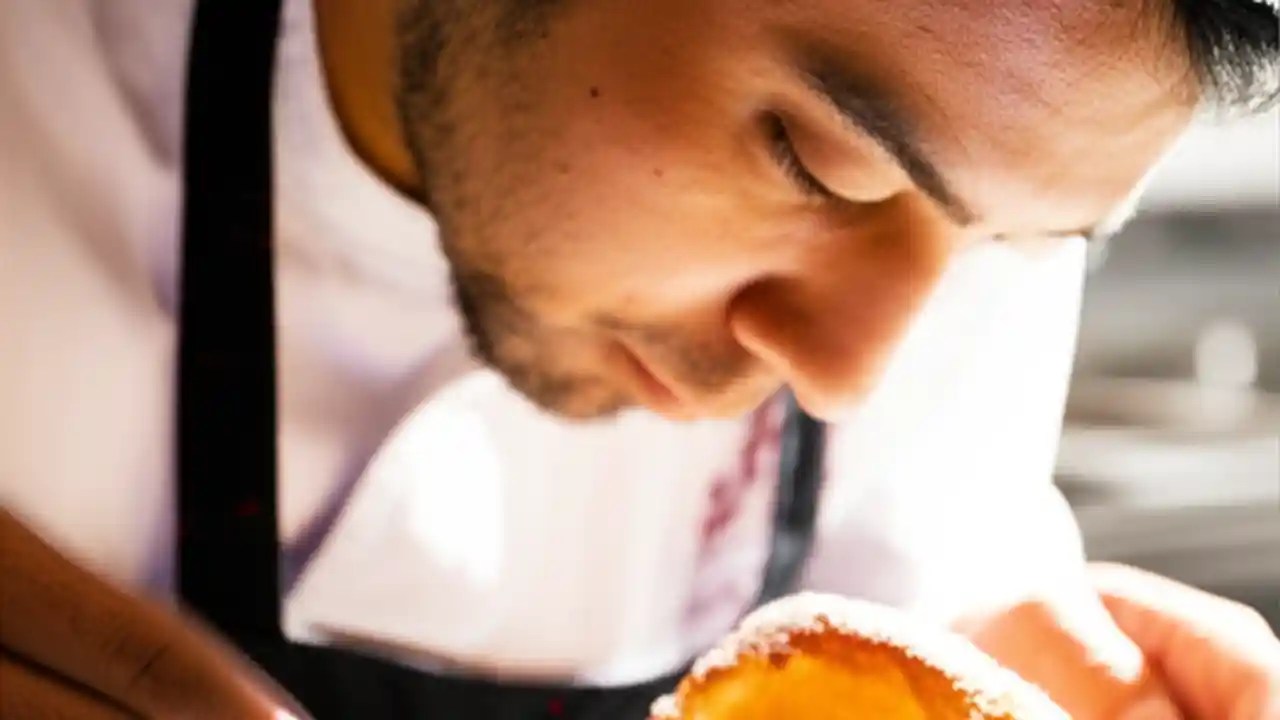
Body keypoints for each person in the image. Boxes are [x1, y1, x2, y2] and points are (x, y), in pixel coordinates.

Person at [1, 0, 1276, 718]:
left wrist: (996, 634)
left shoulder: (966, 212)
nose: (845, 378)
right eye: (817, 164)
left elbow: (928, 561)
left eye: (1009, 244)